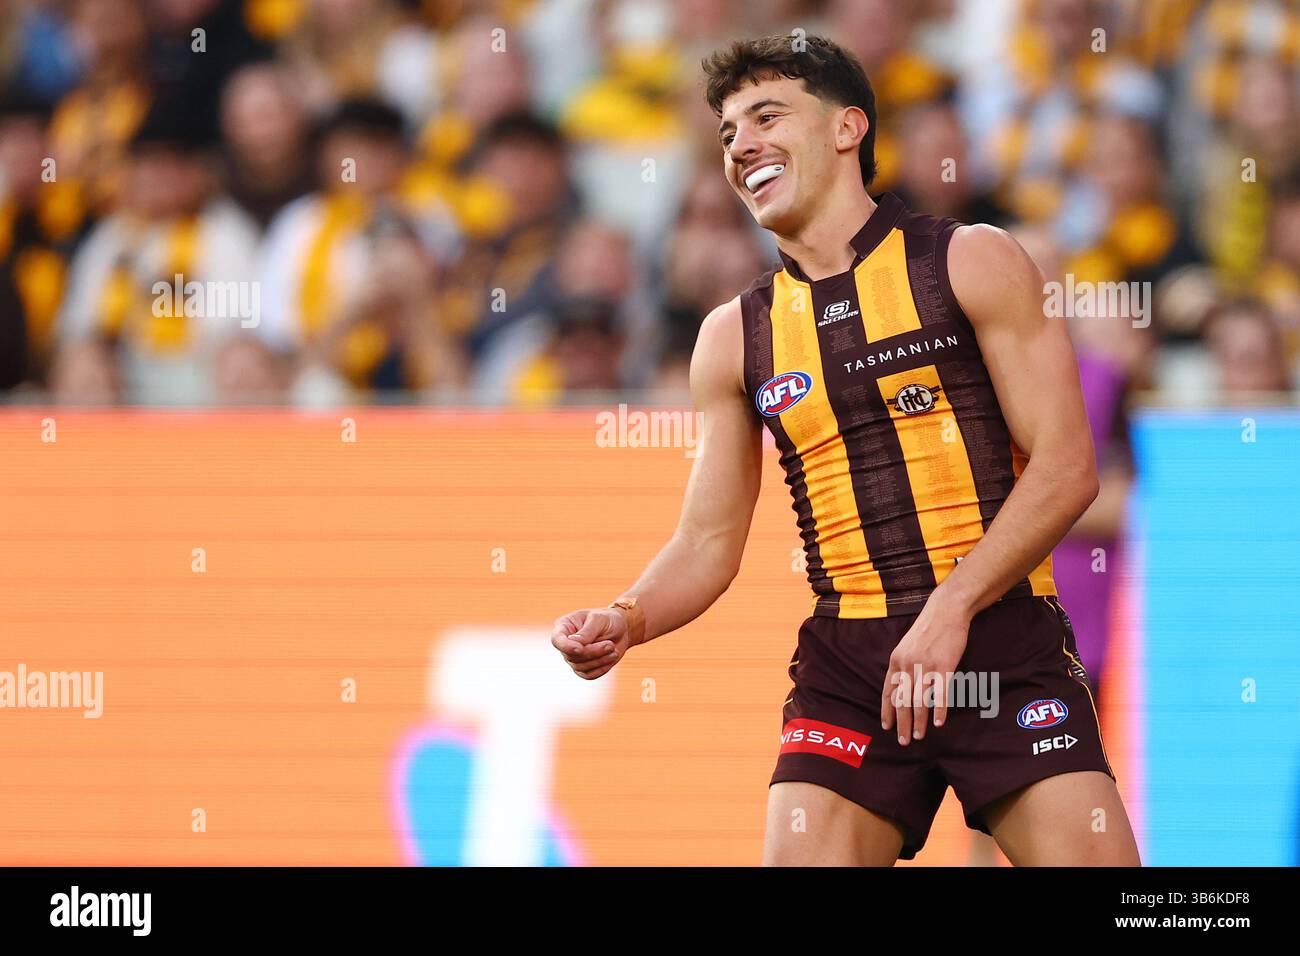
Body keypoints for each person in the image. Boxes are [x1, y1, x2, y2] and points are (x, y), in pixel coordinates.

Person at [550, 33, 1140, 867]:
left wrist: (952, 608)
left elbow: (1067, 467)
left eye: (766, 116)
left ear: (847, 129)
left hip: (1002, 644)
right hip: (850, 667)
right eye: (726, 133)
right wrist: (627, 616)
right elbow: (708, 543)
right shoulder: (732, 338)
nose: (741, 144)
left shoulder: (971, 260)